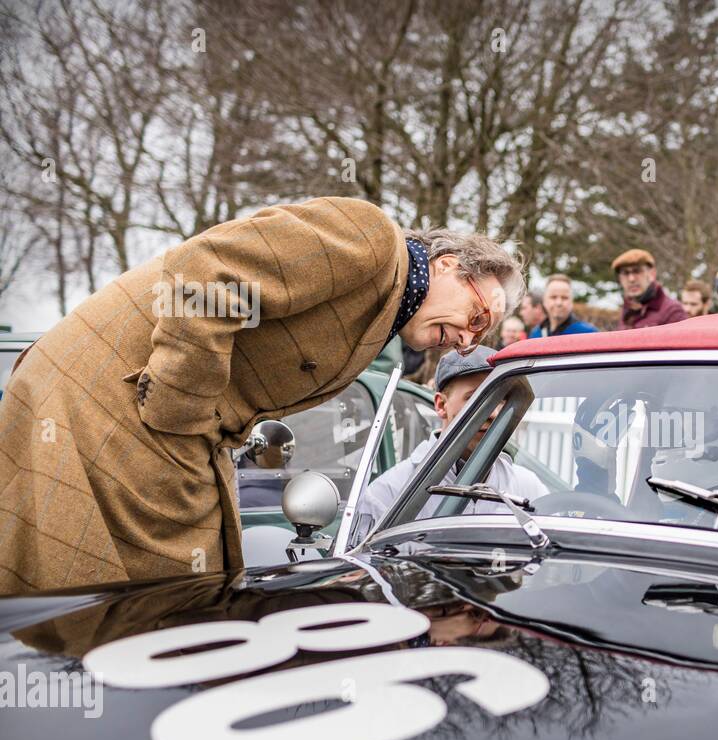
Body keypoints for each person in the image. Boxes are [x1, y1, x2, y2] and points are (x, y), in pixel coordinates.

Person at [0, 197, 523, 594]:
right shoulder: (370, 241)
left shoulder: (383, 311)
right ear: (449, 264)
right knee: (135, 597)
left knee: (190, 583)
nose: (467, 339)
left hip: (156, 423)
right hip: (103, 403)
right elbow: (206, 273)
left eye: (483, 335)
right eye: (476, 316)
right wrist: (179, 413)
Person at [356, 346, 548, 527]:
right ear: (441, 405)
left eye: (502, 399)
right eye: (477, 398)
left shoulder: (527, 487)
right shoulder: (391, 491)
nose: (494, 413)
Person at [612, 248, 687, 329]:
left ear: (652, 274)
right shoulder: (627, 310)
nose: (631, 279)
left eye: (637, 271)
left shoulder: (672, 311)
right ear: (619, 279)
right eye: (625, 273)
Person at [529, 274, 598, 337]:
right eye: (553, 297)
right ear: (544, 301)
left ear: (571, 301)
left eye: (564, 297)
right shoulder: (535, 334)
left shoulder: (588, 334)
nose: (559, 303)